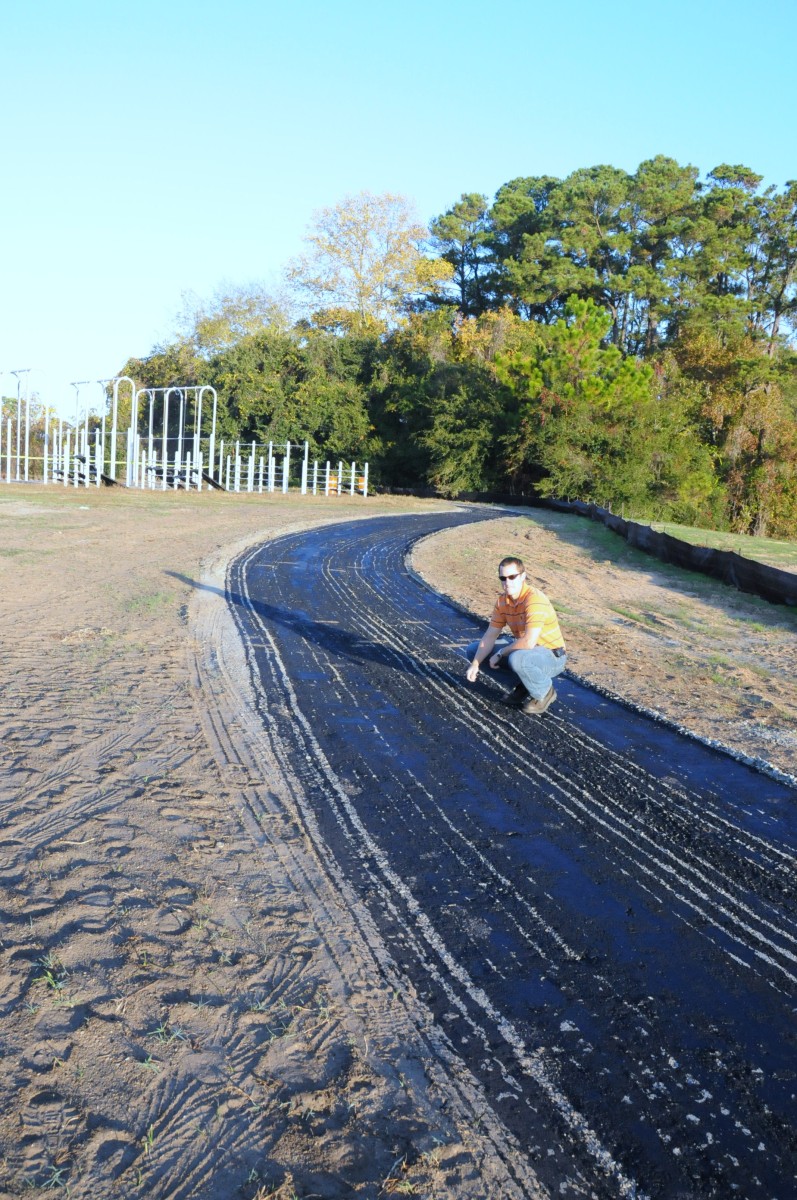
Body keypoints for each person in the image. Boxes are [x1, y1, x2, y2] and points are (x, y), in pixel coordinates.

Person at [464, 556, 567, 715]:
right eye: (503, 578)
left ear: (523, 576)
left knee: (517, 658)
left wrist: (500, 653)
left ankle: (545, 691)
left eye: (512, 577)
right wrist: (476, 664)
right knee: (473, 651)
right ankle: (525, 685)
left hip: (552, 655)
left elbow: (528, 642)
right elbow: (490, 636)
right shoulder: (502, 602)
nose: (507, 582)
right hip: (528, 653)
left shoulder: (534, 600)